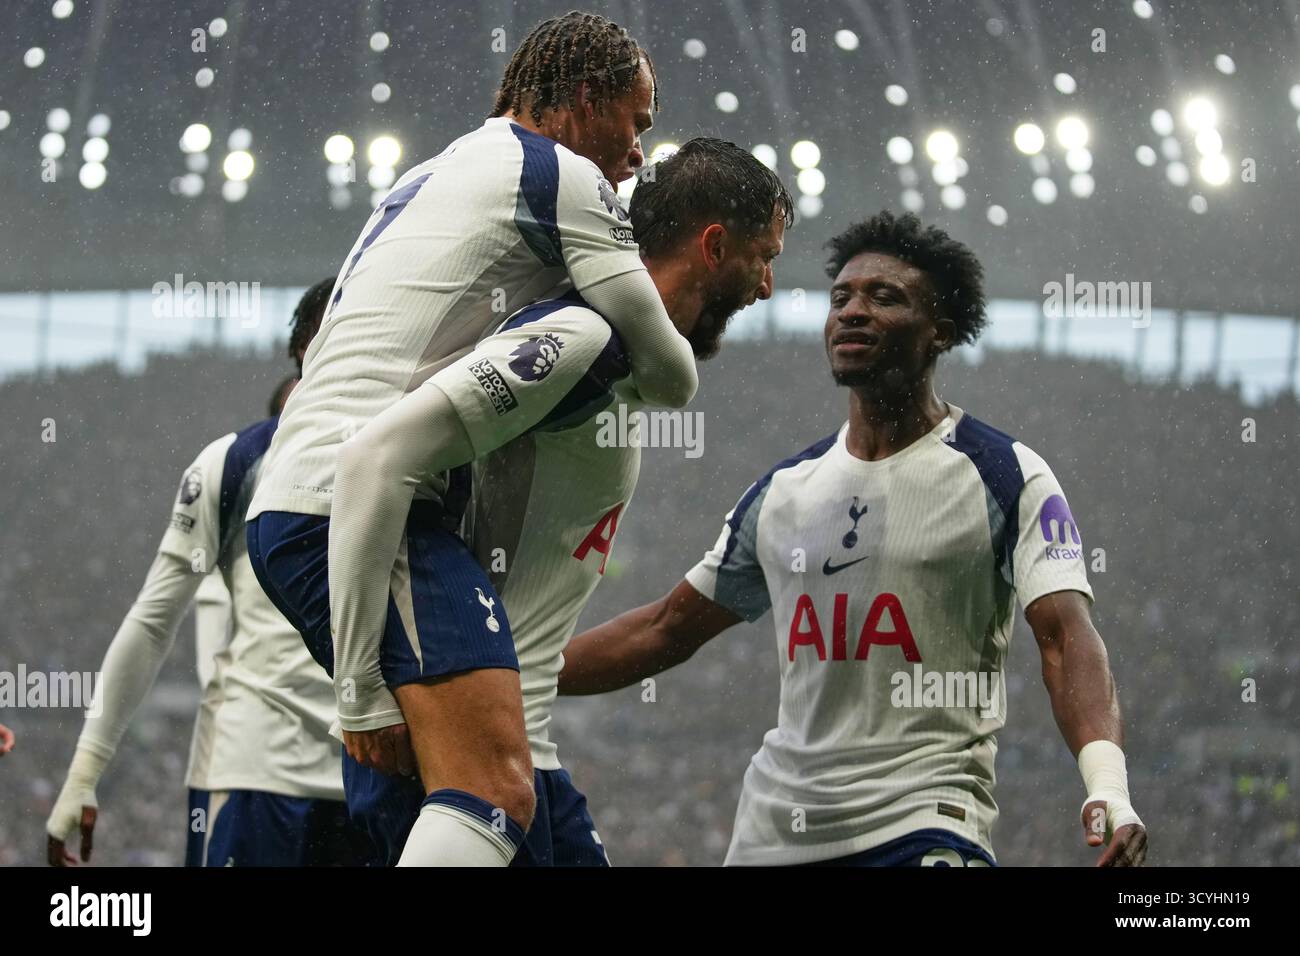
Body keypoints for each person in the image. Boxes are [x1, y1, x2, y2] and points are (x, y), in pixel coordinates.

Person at [559, 211, 1148, 867]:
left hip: (926, 823)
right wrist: (513, 677)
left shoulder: (1007, 475)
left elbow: (1065, 637)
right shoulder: (783, 491)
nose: (853, 311)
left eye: (884, 297)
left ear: (939, 331)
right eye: (841, 297)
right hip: (773, 838)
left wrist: (1108, 786)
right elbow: (665, 628)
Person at [246, 10, 696, 866]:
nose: (639, 153)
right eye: (635, 123)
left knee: (476, 803)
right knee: (494, 790)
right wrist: (360, 691)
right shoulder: (562, 175)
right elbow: (672, 371)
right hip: (359, 504)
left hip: (311, 497)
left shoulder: (429, 173)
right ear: (586, 99)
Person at [333, 138, 792, 864]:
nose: (766, 286)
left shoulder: (624, 354)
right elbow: (375, 457)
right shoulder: (579, 337)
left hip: (524, 740)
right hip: (454, 743)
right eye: (764, 258)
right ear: (713, 246)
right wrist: (359, 685)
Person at [46, 279, 368, 867]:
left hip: (378, 781)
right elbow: (152, 623)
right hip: (252, 774)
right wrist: (84, 770)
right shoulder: (233, 464)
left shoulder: (430, 463)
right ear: (307, 351)